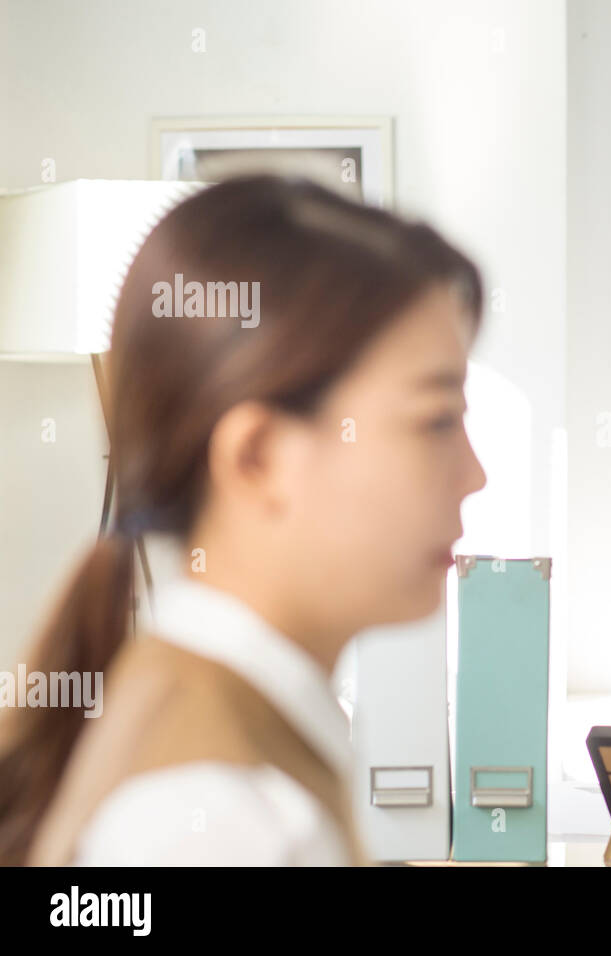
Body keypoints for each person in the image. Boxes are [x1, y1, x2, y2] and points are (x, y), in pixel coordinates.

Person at [0, 174, 487, 864]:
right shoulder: (228, 820)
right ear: (258, 457)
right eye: (436, 420)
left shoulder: (220, 730)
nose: (475, 475)